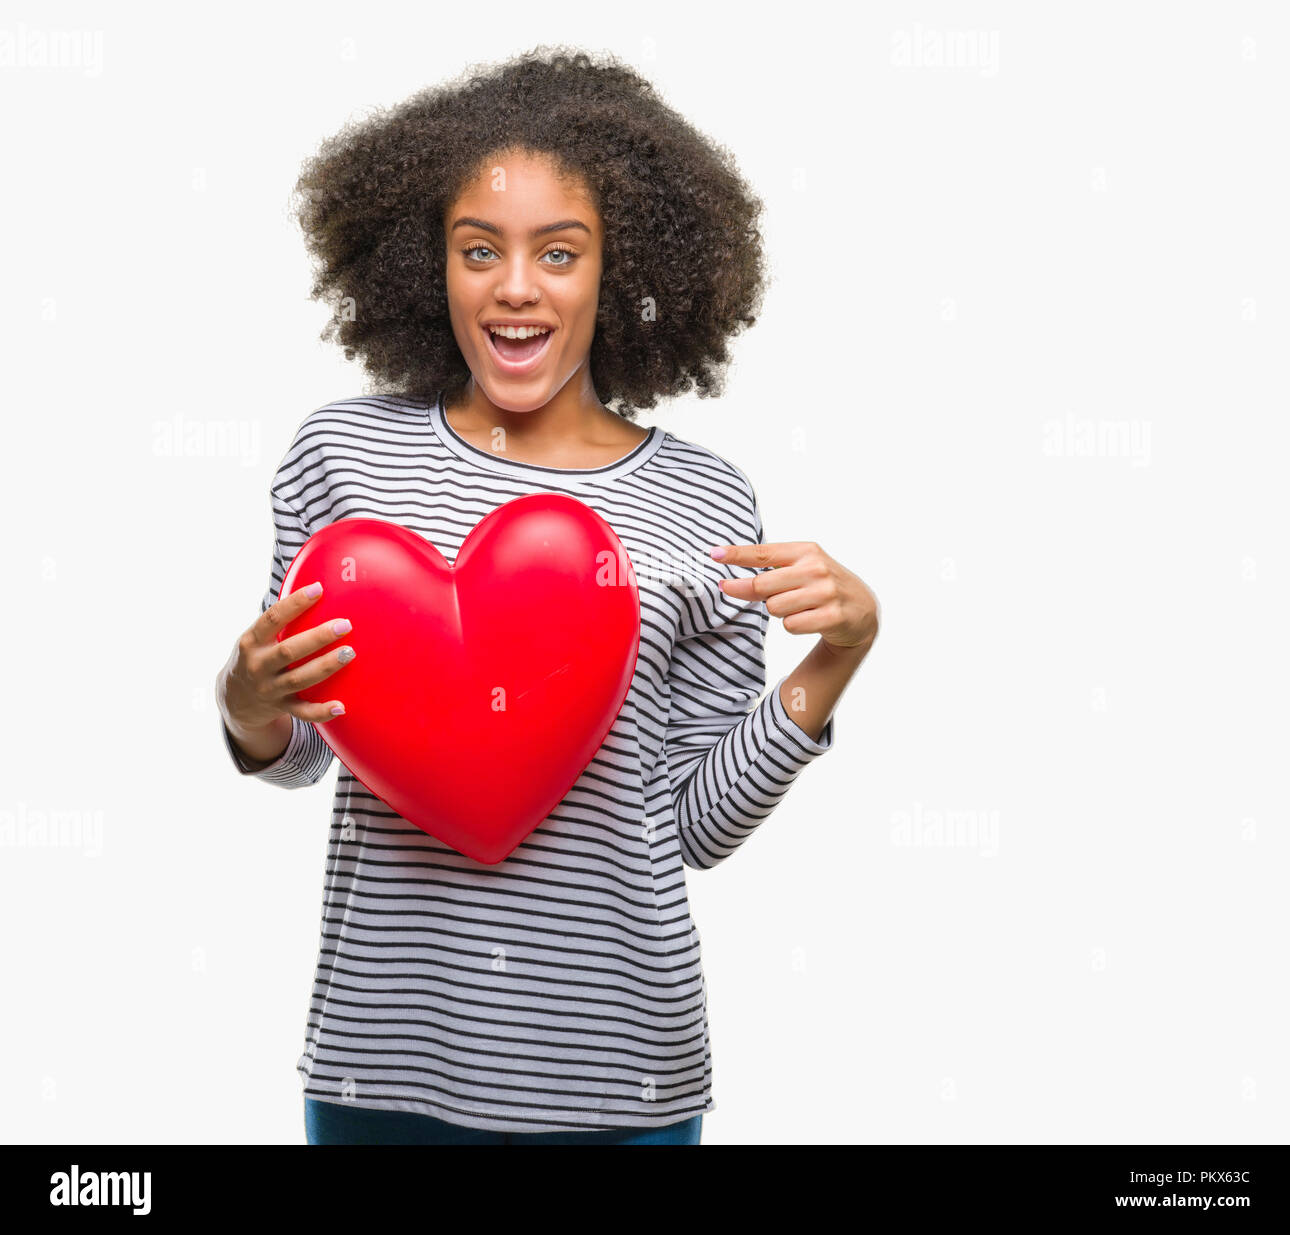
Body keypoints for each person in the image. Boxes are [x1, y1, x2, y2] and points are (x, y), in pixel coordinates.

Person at [214, 47, 879, 1146]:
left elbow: (693, 826)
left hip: (618, 1073)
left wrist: (831, 662)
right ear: (434, 269)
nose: (514, 286)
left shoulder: (706, 497)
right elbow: (299, 752)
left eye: (557, 253)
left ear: (615, 271)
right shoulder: (341, 457)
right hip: (385, 1058)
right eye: (480, 251)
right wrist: (246, 698)